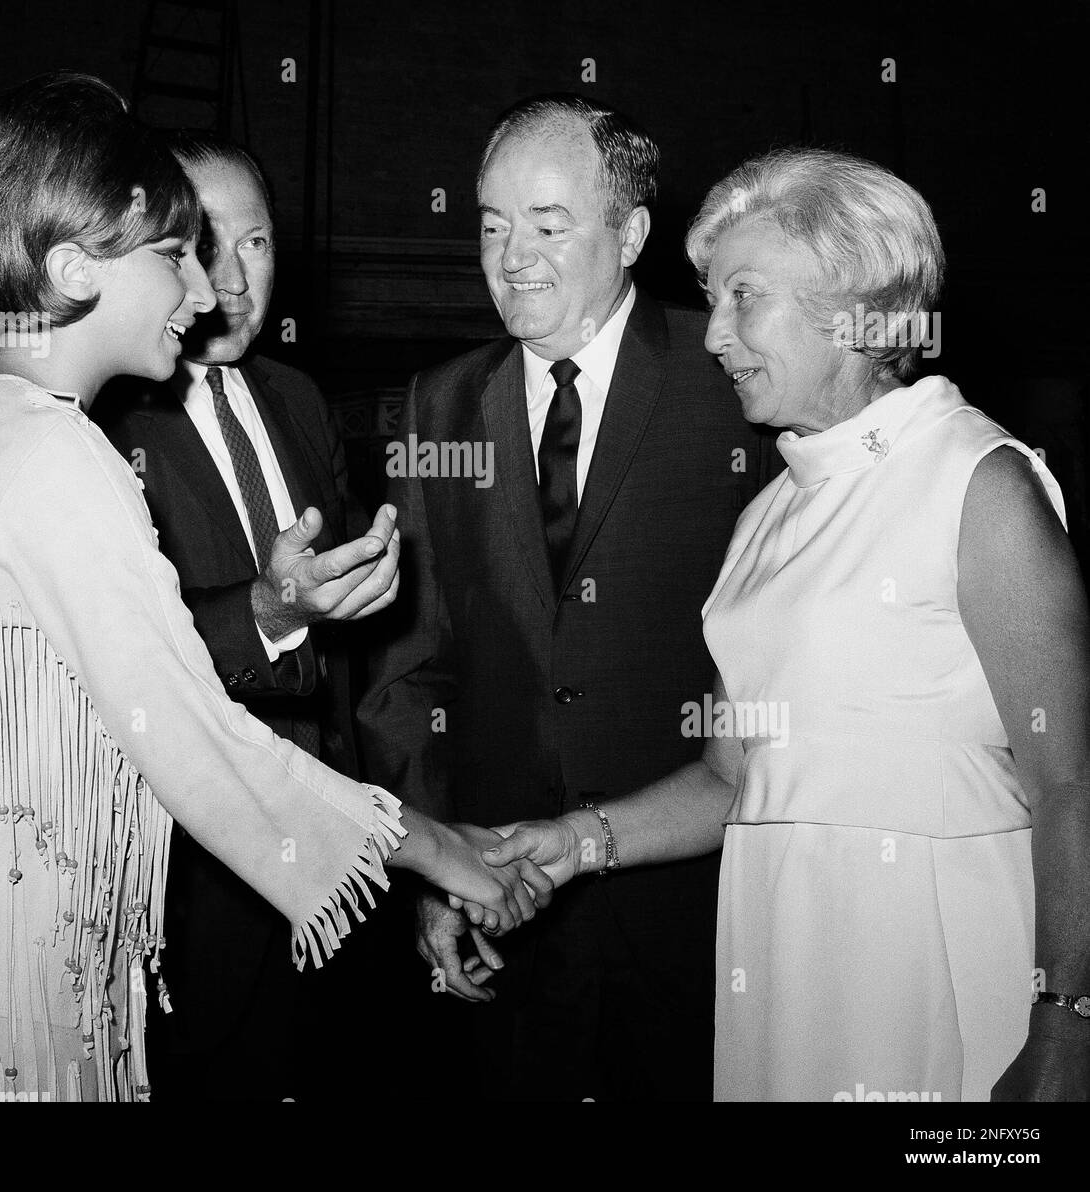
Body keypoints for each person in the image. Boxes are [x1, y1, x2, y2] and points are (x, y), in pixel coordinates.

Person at [0, 72, 547, 1103]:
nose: (203, 295)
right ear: (72, 269)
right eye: (171, 257)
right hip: (1, 986)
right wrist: (439, 850)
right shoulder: (57, 458)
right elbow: (192, 734)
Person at [486, 148, 1090, 1102]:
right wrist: (579, 842)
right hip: (784, 949)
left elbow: (1071, 783)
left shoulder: (979, 482)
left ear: (852, 308)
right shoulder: (765, 512)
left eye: (743, 297)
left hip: (934, 955)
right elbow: (737, 773)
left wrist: (1067, 1024)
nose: (714, 335)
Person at [357, 95, 776, 1100]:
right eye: (493, 227)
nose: (512, 259)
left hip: (695, 908)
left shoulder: (737, 384)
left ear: (629, 233)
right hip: (503, 904)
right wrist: (436, 866)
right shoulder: (437, 404)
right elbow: (410, 669)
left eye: (548, 227)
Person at [98, 130, 395, 1098]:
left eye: (256, 243)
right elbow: (121, 657)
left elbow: (345, 648)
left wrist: (360, 594)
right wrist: (270, 606)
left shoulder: (303, 400)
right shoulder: (104, 421)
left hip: (336, 868)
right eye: (199, 244)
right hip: (196, 891)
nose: (230, 278)